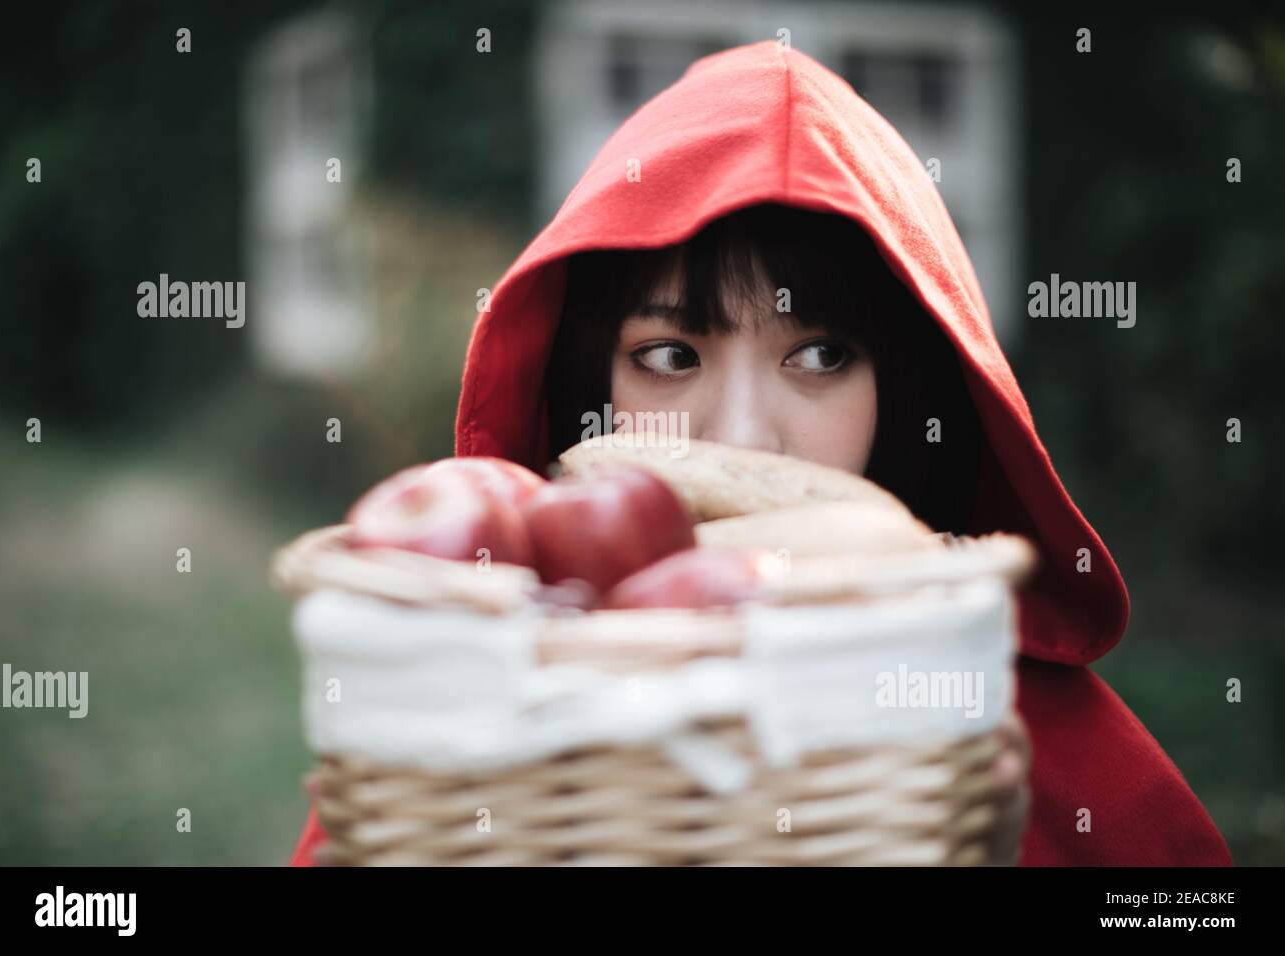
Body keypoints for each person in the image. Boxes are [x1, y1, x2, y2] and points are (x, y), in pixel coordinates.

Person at [291, 40, 1230, 866]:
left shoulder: (1015, 740)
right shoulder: (464, 711)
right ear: (589, 388)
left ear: (904, 391)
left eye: (820, 356)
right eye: (668, 356)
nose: (740, 434)